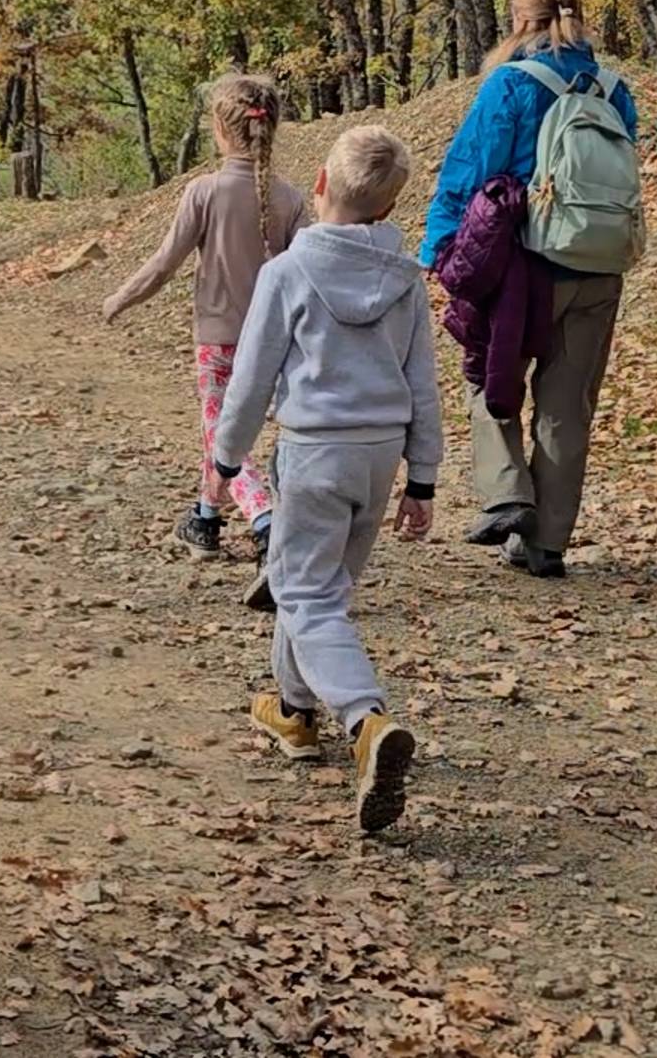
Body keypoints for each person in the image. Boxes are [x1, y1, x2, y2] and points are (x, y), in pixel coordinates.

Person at [208, 126, 442, 834]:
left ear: (318, 184)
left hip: (314, 454)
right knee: (314, 584)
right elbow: (422, 385)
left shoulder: (287, 272)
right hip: (379, 457)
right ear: (388, 208)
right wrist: (422, 479)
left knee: (307, 595)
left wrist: (225, 461)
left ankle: (364, 718)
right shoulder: (406, 281)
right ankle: (293, 712)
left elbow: (249, 381)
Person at [420, 0, 638, 578]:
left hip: (522, 269)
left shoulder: (509, 85)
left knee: (488, 374)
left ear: (520, 19)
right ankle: (546, 545)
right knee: (568, 406)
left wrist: (439, 247)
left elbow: (470, 172)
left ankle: (508, 493)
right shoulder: (614, 89)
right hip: (598, 265)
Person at [103, 74, 311, 559]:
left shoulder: (204, 191)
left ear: (219, 128)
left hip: (217, 340)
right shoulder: (290, 198)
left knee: (224, 435)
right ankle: (205, 518)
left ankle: (264, 518)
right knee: (221, 428)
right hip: (274, 342)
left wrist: (120, 298)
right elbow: (308, 270)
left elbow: (163, 264)